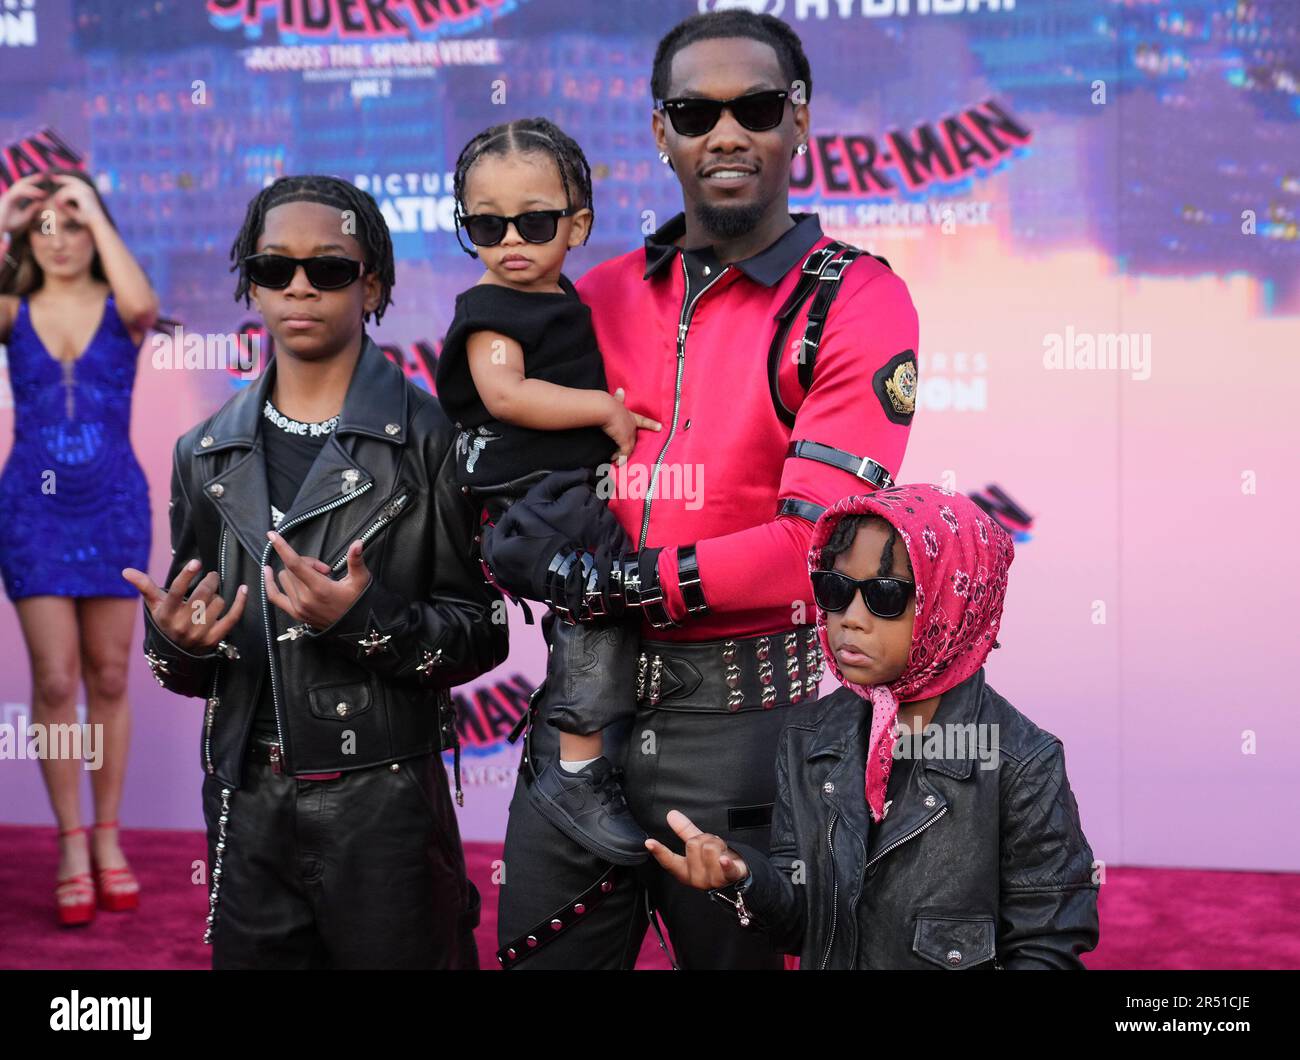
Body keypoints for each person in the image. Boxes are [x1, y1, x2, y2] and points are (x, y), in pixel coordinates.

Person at [482, 10, 920, 969]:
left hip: (744, 733)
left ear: (799, 122)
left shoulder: (853, 297)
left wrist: (625, 581)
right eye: (695, 111)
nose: (727, 134)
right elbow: (502, 475)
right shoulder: (590, 295)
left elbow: (818, 548)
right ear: (660, 131)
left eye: (757, 108)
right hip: (575, 718)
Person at [121, 175, 507, 969]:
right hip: (245, 798)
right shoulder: (204, 452)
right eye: (274, 268)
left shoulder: (428, 438)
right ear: (250, 284)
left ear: (372, 286)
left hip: (386, 802)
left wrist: (365, 621)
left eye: (329, 269)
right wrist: (178, 642)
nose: (299, 285)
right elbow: (188, 665)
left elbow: (484, 631)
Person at [646, 486, 1101, 969]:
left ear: (951, 600)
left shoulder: (1023, 762)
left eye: (885, 595)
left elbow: (1046, 949)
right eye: (835, 589)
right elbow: (802, 922)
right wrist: (744, 878)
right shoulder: (807, 737)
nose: (850, 620)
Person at [437, 117, 661, 865]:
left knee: (604, 614)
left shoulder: (559, 296)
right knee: (598, 609)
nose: (510, 241)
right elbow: (504, 395)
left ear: (578, 224)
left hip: (559, 496)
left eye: (534, 222)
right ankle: (576, 770)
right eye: (485, 224)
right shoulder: (488, 313)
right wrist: (603, 408)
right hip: (528, 505)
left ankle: (597, 752)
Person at [0, 169, 160, 927]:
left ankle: (107, 839)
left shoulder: (120, 303)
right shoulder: (12, 308)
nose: (59, 237)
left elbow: (142, 306)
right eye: (45, 226)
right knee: (57, 681)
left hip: (115, 505)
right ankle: (69, 844)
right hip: (33, 510)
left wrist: (87, 203)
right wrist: (7, 215)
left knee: (108, 675)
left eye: (75, 222)